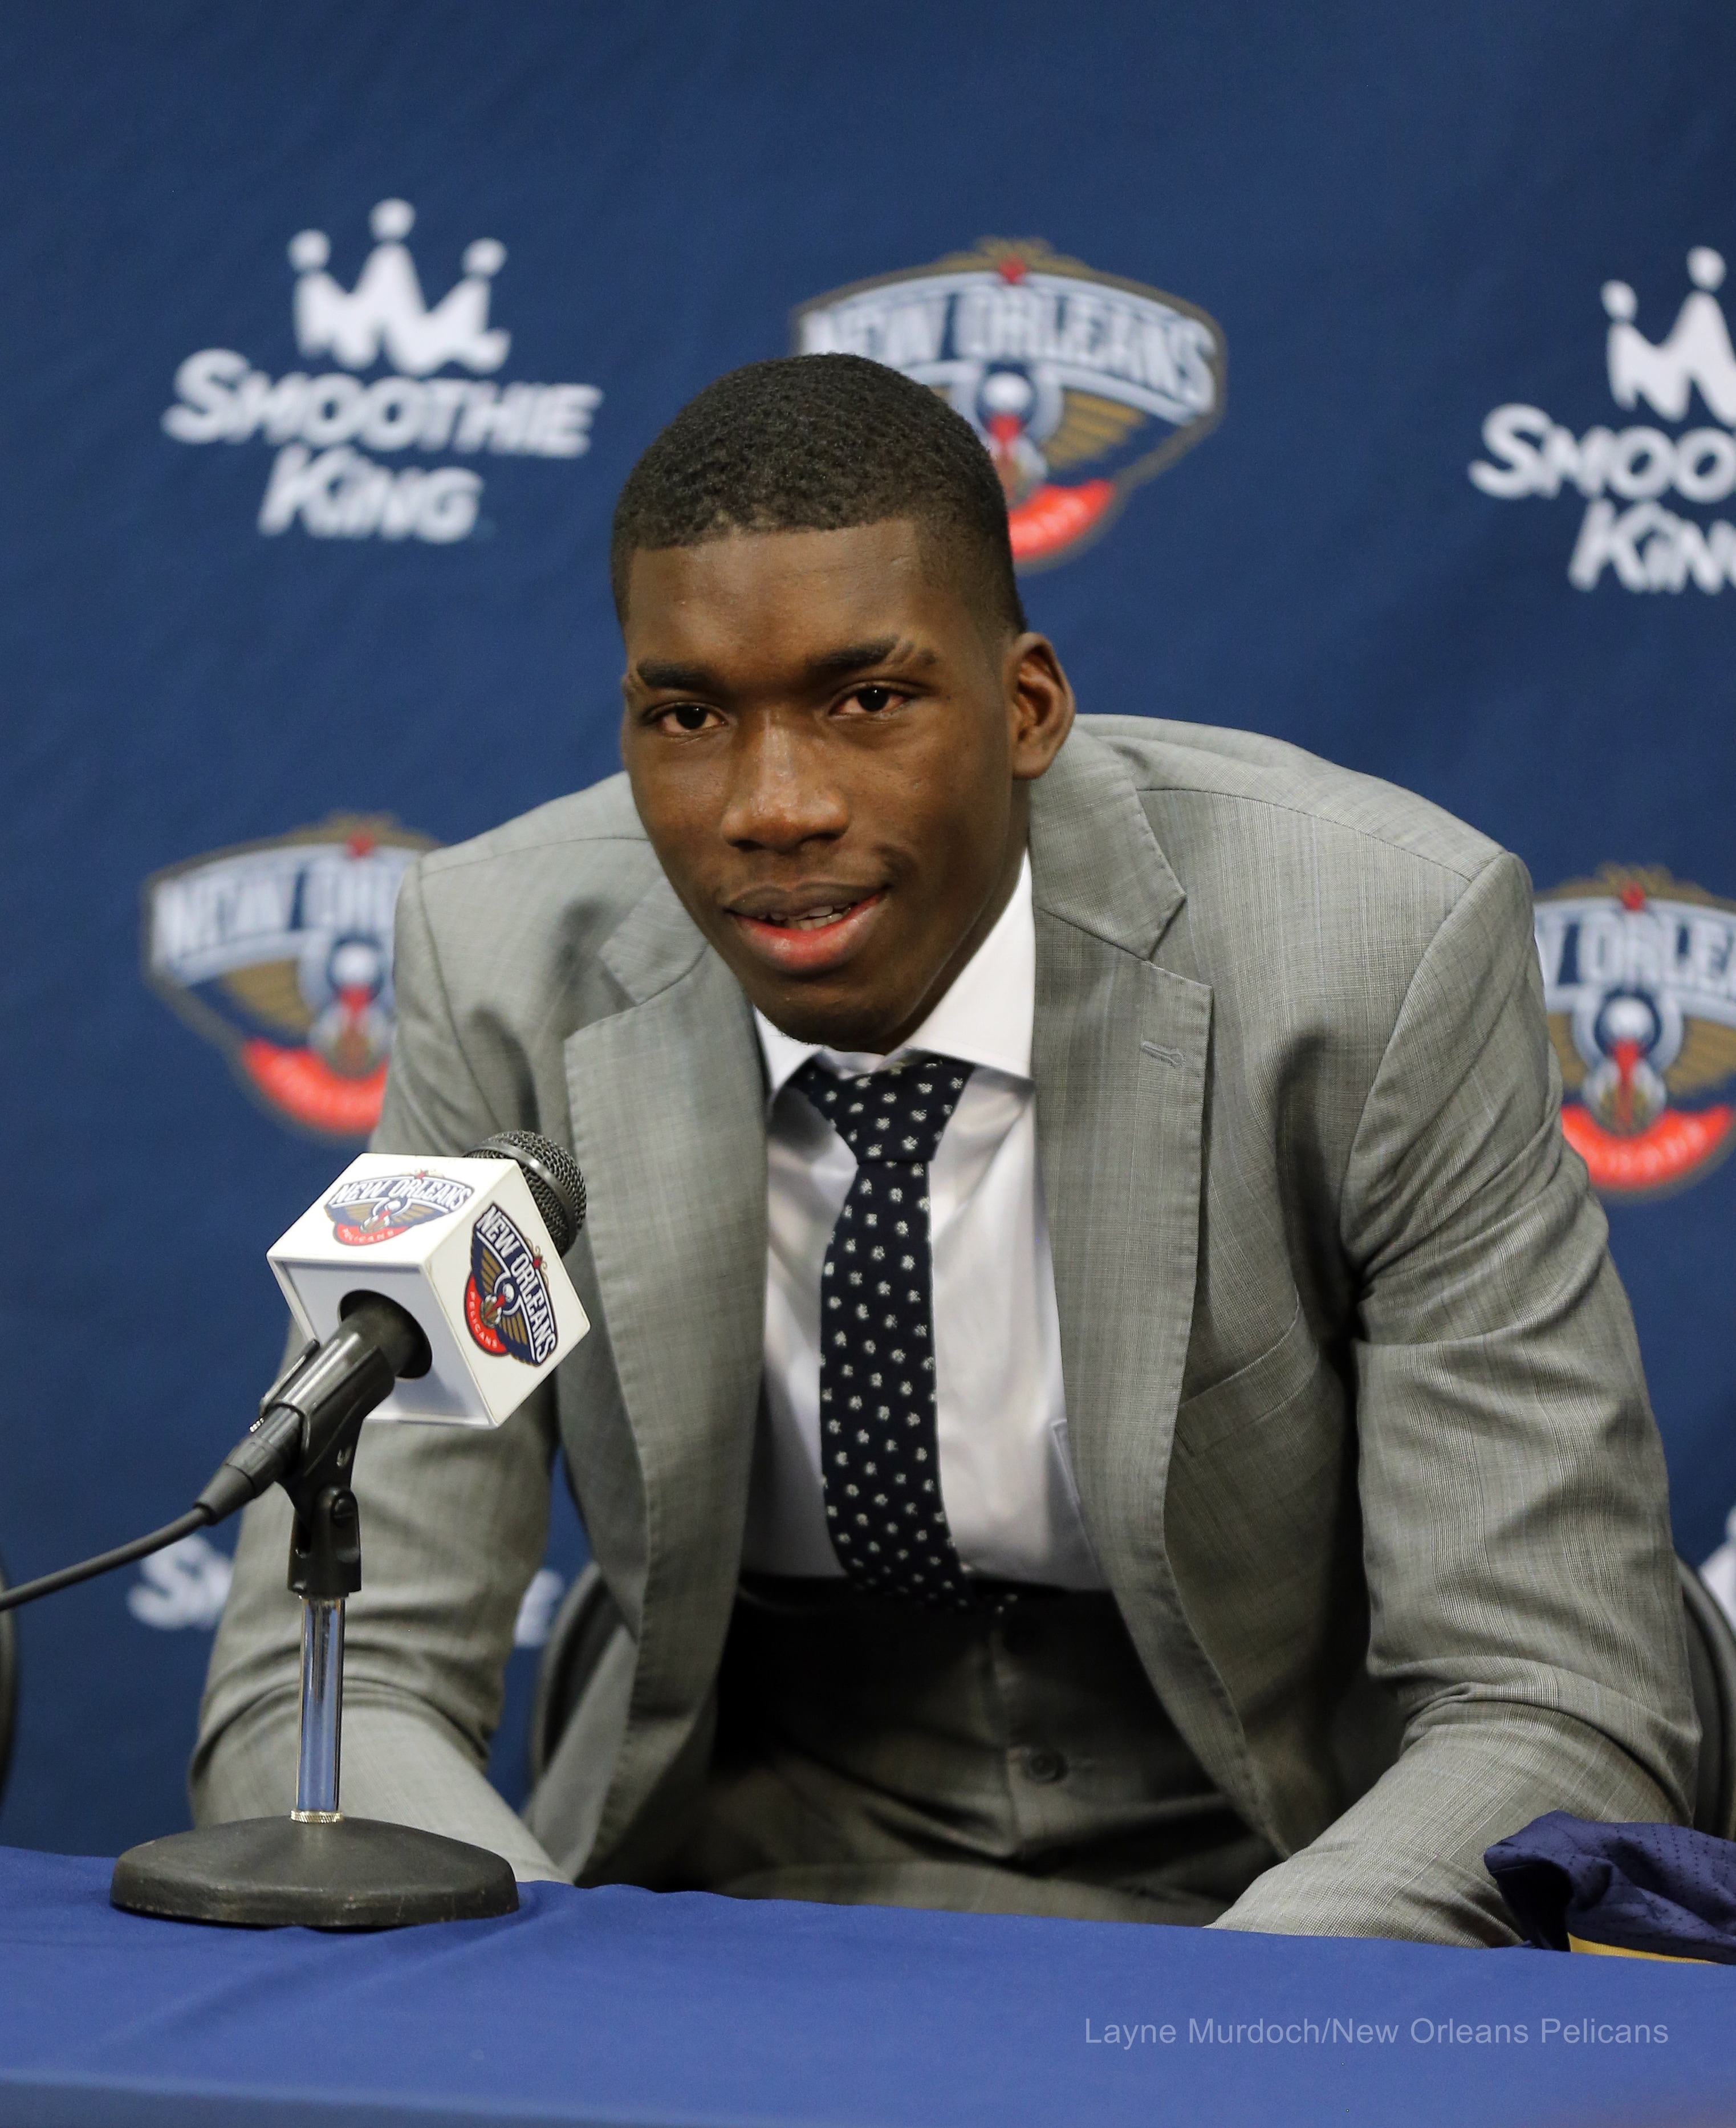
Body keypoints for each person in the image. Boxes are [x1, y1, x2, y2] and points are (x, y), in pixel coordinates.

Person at [194, 354, 1694, 1944]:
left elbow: (1550, 1690)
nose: (774, 806)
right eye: (688, 716)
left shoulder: (1372, 951)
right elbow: (331, 1681)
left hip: (1295, 1852)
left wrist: (1234, 2026)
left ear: (1027, 706)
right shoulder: (507, 963)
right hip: (738, 1877)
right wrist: (547, 1987)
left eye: (867, 701)